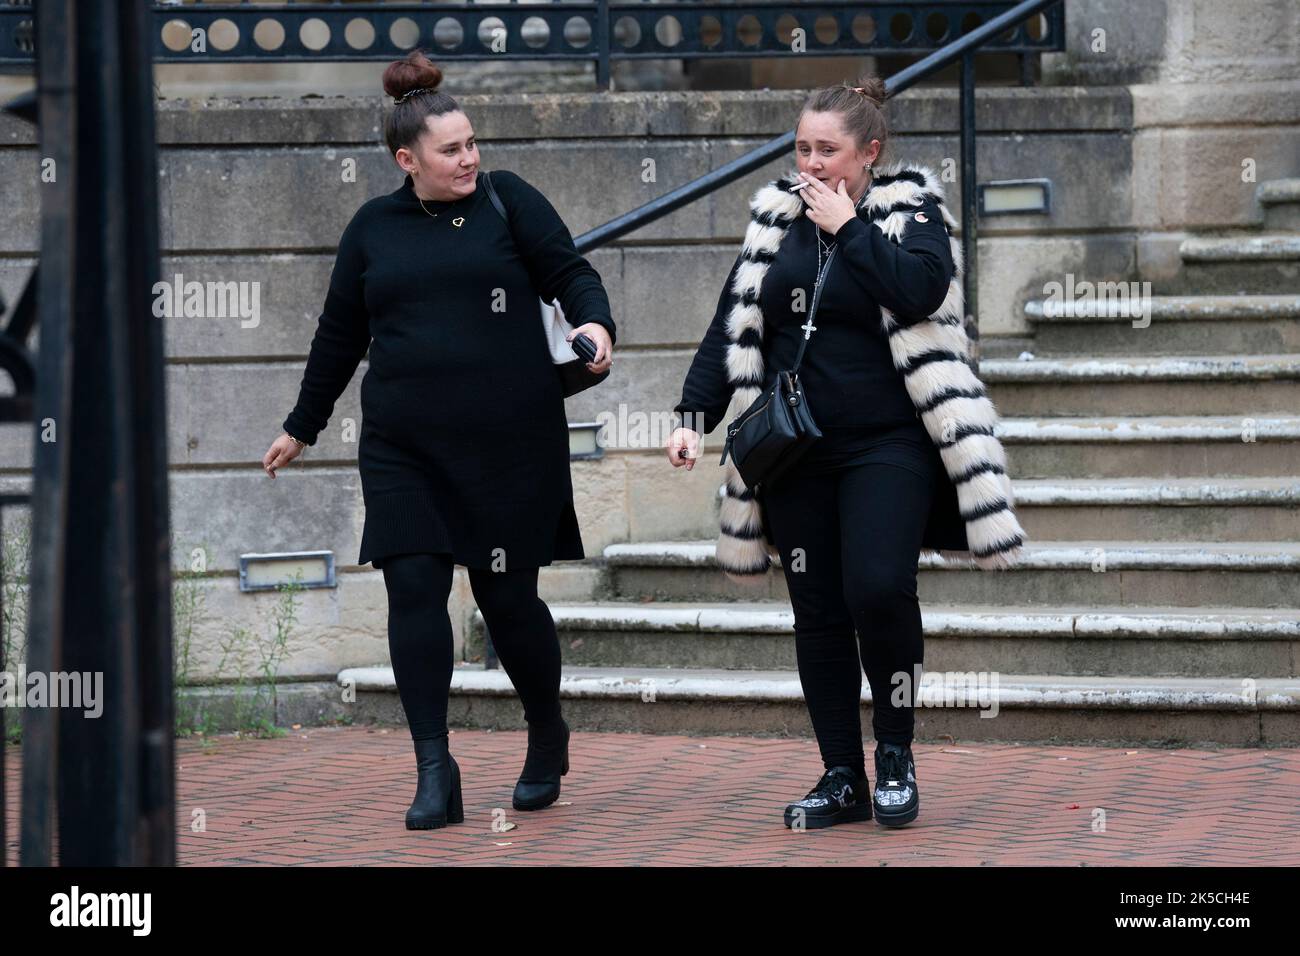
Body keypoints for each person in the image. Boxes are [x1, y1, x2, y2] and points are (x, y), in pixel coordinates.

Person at [261, 50, 616, 830]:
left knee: (506, 600)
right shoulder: (372, 227)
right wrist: (301, 424)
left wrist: (595, 323)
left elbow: (571, 274)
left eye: (471, 142)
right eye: (451, 149)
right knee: (412, 587)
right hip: (404, 445)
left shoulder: (508, 201)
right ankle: (433, 767)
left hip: (509, 441)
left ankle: (545, 729)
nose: (469, 157)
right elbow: (338, 335)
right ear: (406, 159)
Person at [666, 75, 1025, 830]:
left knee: (877, 589)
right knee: (818, 611)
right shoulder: (776, 219)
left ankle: (894, 752)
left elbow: (923, 290)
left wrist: (852, 226)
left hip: (887, 444)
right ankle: (841, 775)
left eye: (828, 150)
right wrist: (692, 415)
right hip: (795, 451)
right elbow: (733, 319)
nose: (812, 163)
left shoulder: (911, 210)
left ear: (870, 152)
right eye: (802, 148)